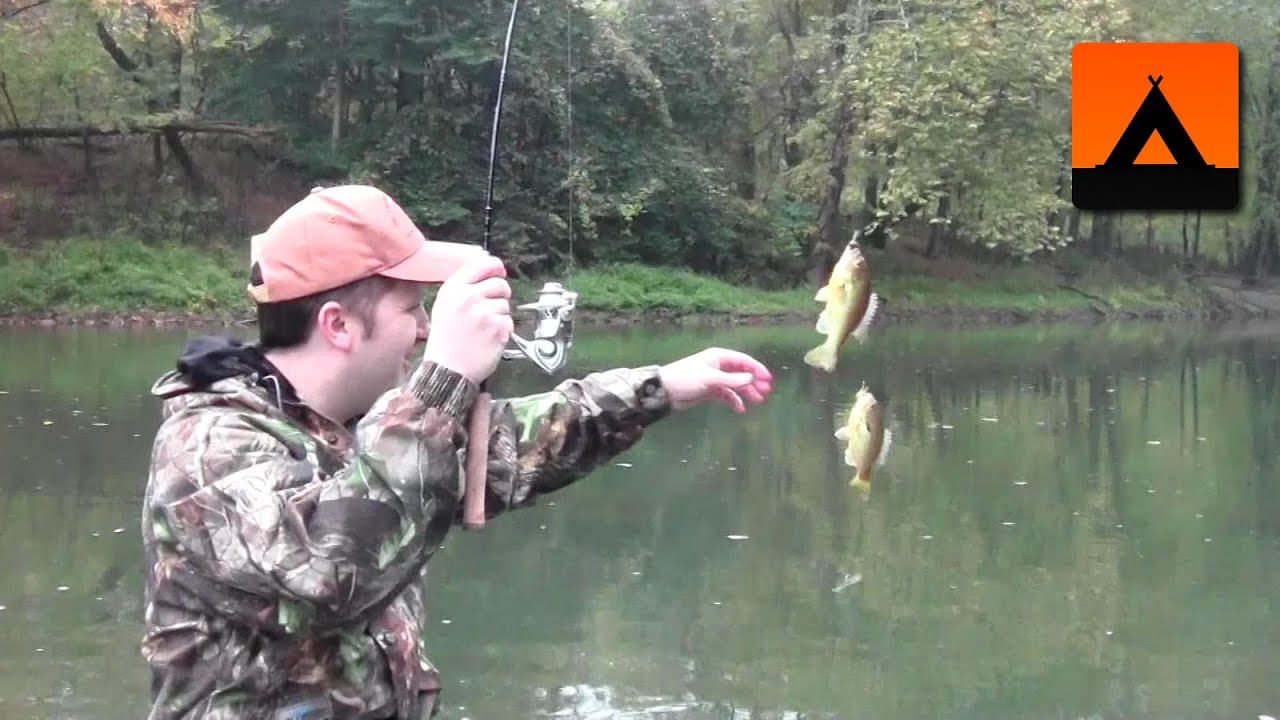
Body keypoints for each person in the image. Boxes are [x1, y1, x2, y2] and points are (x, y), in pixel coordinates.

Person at [140, 184, 774, 720]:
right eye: (414, 309)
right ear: (336, 325)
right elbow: (328, 571)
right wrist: (444, 376)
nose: (424, 328)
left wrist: (660, 387)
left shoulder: (362, 424)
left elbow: (513, 443)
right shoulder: (206, 447)